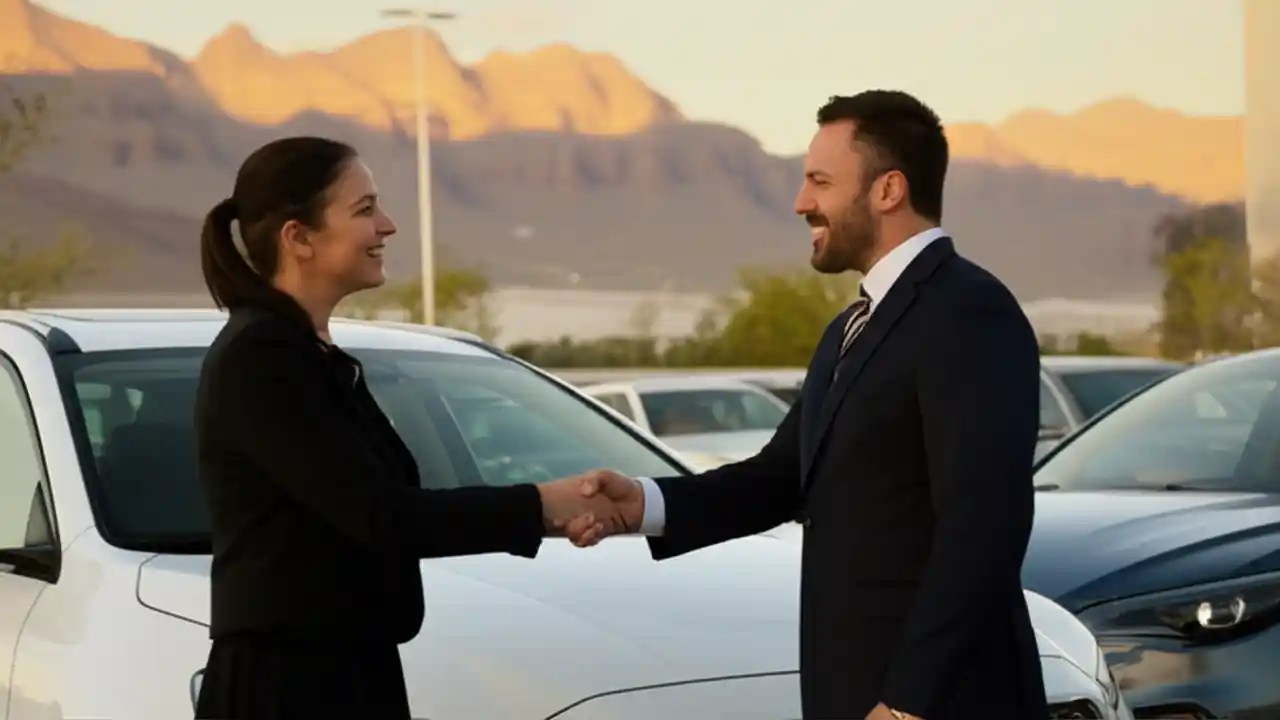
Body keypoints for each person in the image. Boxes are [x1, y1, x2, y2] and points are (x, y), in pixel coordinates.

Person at [566, 91, 1049, 720]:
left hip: (940, 702)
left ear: (888, 190)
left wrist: (908, 703)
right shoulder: (852, 328)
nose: (801, 202)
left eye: (819, 181)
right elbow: (780, 477)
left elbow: (984, 528)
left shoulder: (968, 313)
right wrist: (645, 503)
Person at [192, 136, 620, 719]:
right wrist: (543, 503)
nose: (387, 226)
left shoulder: (308, 351)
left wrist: (550, 509)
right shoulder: (262, 356)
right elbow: (383, 515)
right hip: (291, 685)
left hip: (344, 670)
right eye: (365, 210)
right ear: (300, 238)